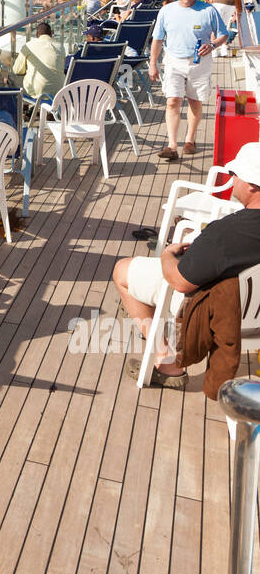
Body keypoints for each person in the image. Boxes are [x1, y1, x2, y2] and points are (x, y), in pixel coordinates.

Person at [112, 143, 260, 389]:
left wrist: (168, 255)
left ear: (252, 185)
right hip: (255, 310)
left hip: (220, 312)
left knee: (123, 270)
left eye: (235, 175)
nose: (232, 179)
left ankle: (168, 363)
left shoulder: (228, 232)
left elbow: (180, 281)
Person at [149, 0, 229, 161]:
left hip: (199, 63)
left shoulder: (208, 9)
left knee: (194, 101)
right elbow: (158, 39)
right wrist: (153, 63)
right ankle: (172, 145)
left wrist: (212, 45)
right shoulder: (166, 10)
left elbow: (223, 34)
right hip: (173, 60)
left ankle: (190, 140)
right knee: (172, 101)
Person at [11, 22, 66, 101]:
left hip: (37, 94)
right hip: (59, 92)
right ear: (51, 33)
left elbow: (17, 70)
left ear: (37, 34)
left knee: (11, 77)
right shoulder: (60, 47)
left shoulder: (28, 46)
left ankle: (21, 108)